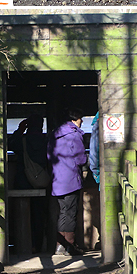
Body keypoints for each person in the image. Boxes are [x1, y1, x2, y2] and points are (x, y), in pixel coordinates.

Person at [47, 108, 87, 256]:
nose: (82, 122)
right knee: (70, 213)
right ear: (76, 119)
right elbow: (80, 158)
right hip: (71, 179)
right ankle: (69, 246)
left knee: (63, 213)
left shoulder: (55, 134)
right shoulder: (74, 135)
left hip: (57, 179)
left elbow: (50, 157)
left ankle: (60, 246)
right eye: (81, 119)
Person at [8, 115, 49, 252]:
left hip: (23, 180)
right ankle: (38, 245)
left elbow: (9, 144)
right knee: (39, 215)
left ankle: (23, 245)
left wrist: (19, 131)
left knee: (22, 215)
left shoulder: (23, 141)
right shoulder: (45, 140)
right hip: (41, 180)